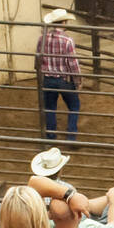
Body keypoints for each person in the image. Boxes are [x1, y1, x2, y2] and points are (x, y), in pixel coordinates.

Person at [36, 8, 81, 141]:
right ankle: (71, 136)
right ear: (63, 22)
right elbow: (73, 63)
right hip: (64, 80)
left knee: (50, 108)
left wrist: (39, 74)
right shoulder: (67, 40)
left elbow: (37, 59)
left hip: (48, 78)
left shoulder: (42, 39)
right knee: (74, 106)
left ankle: (50, 137)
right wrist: (77, 81)